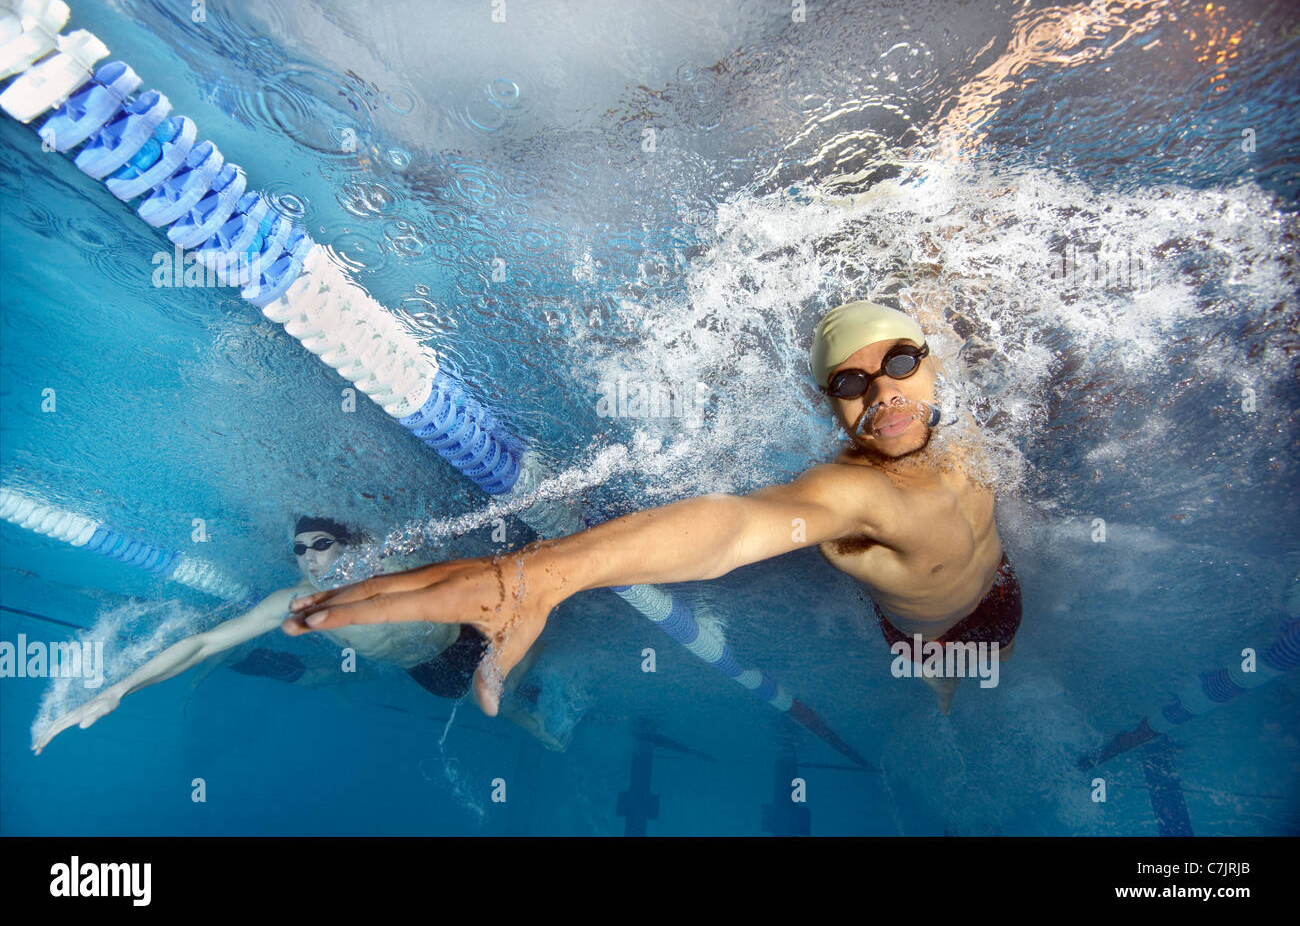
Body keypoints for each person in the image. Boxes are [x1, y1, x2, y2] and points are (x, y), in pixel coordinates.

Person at [283, 299, 1023, 714]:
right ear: (826, 405)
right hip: (926, 638)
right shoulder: (856, 493)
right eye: (850, 384)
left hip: (1003, 590)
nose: (885, 393)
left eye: (899, 362)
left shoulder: (948, 400)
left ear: (930, 358)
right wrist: (543, 573)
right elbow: (732, 528)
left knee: (1004, 664)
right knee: (959, 709)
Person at [33, 516, 573, 754]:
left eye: (320, 545)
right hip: (425, 673)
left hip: (466, 639)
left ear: (347, 544)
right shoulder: (291, 603)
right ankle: (518, 712)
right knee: (482, 699)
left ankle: (527, 683)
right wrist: (118, 690)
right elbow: (202, 645)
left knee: (515, 665)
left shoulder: (399, 566)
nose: (309, 558)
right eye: (300, 550)